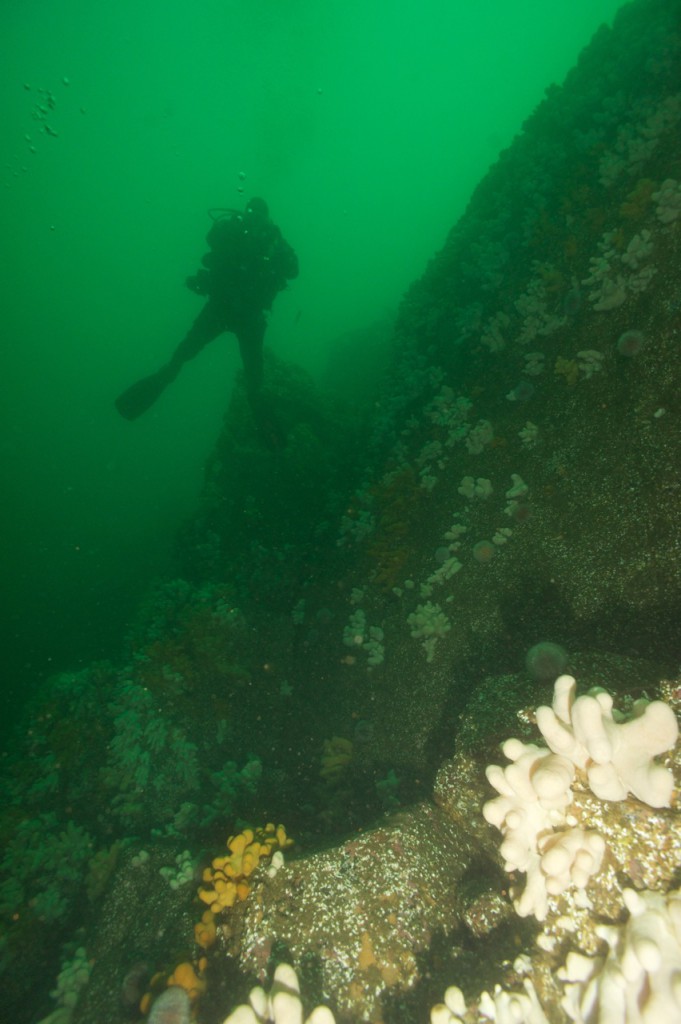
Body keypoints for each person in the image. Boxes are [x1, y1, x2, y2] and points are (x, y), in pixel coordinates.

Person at [115, 197, 298, 443]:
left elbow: (211, 242)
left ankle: (165, 375)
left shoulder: (236, 228)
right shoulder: (273, 239)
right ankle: (260, 409)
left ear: (248, 212)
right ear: (267, 215)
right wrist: (274, 242)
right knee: (254, 376)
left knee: (183, 354)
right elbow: (293, 271)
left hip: (219, 309)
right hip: (250, 317)